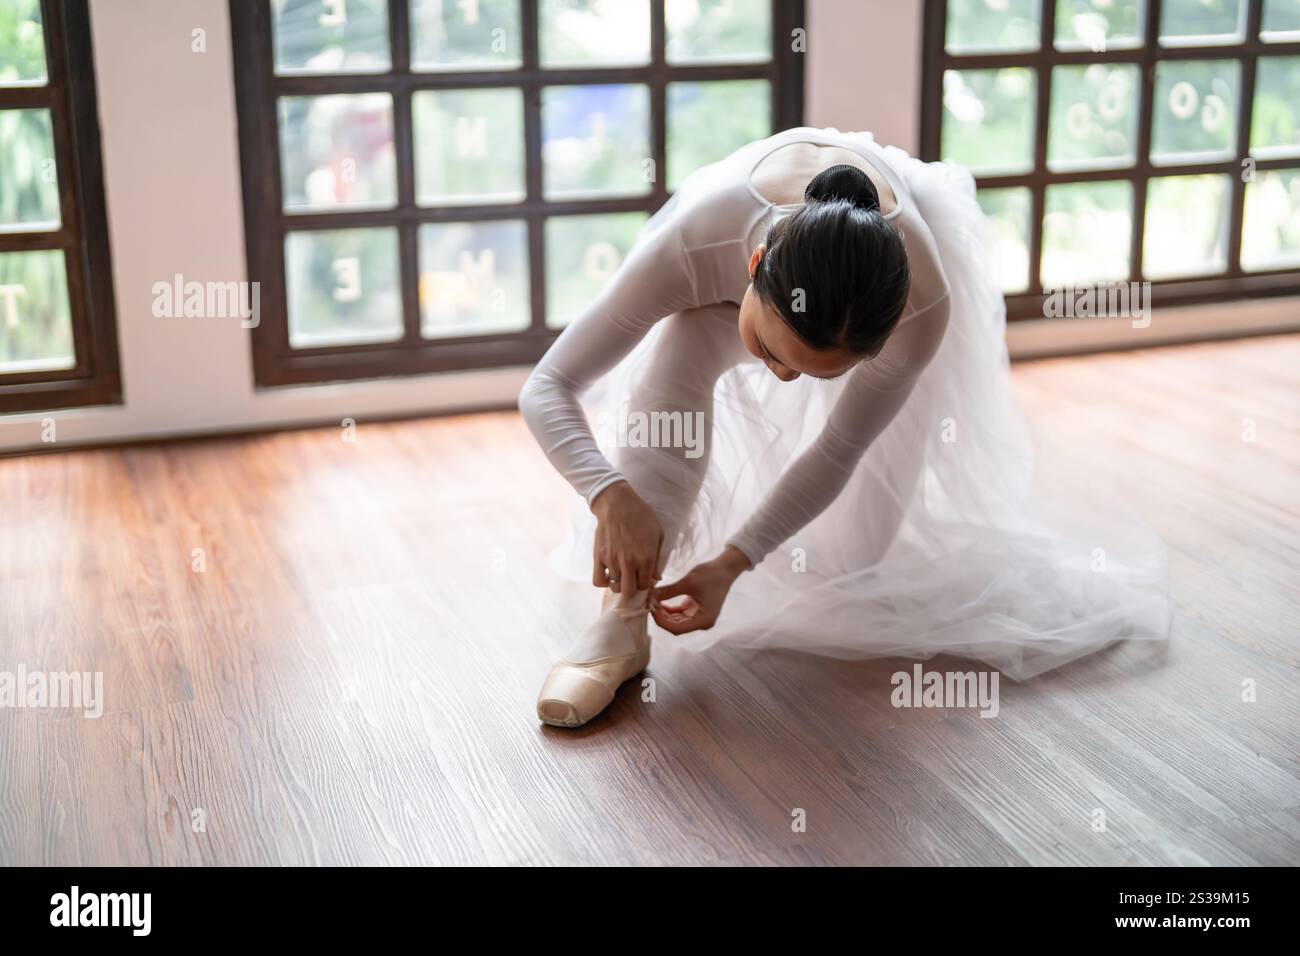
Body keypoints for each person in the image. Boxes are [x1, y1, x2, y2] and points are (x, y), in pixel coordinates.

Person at [519, 127, 1170, 728]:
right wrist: (609, 491)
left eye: (812, 373)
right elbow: (546, 386)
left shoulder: (920, 313)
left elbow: (838, 449)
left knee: (853, 565)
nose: (778, 379)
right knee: (678, 355)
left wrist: (732, 562)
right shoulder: (694, 243)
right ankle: (623, 621)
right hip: (718, 289)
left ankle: (726, 550)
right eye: (770, 352)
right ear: (752, 269)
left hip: (859, 293)